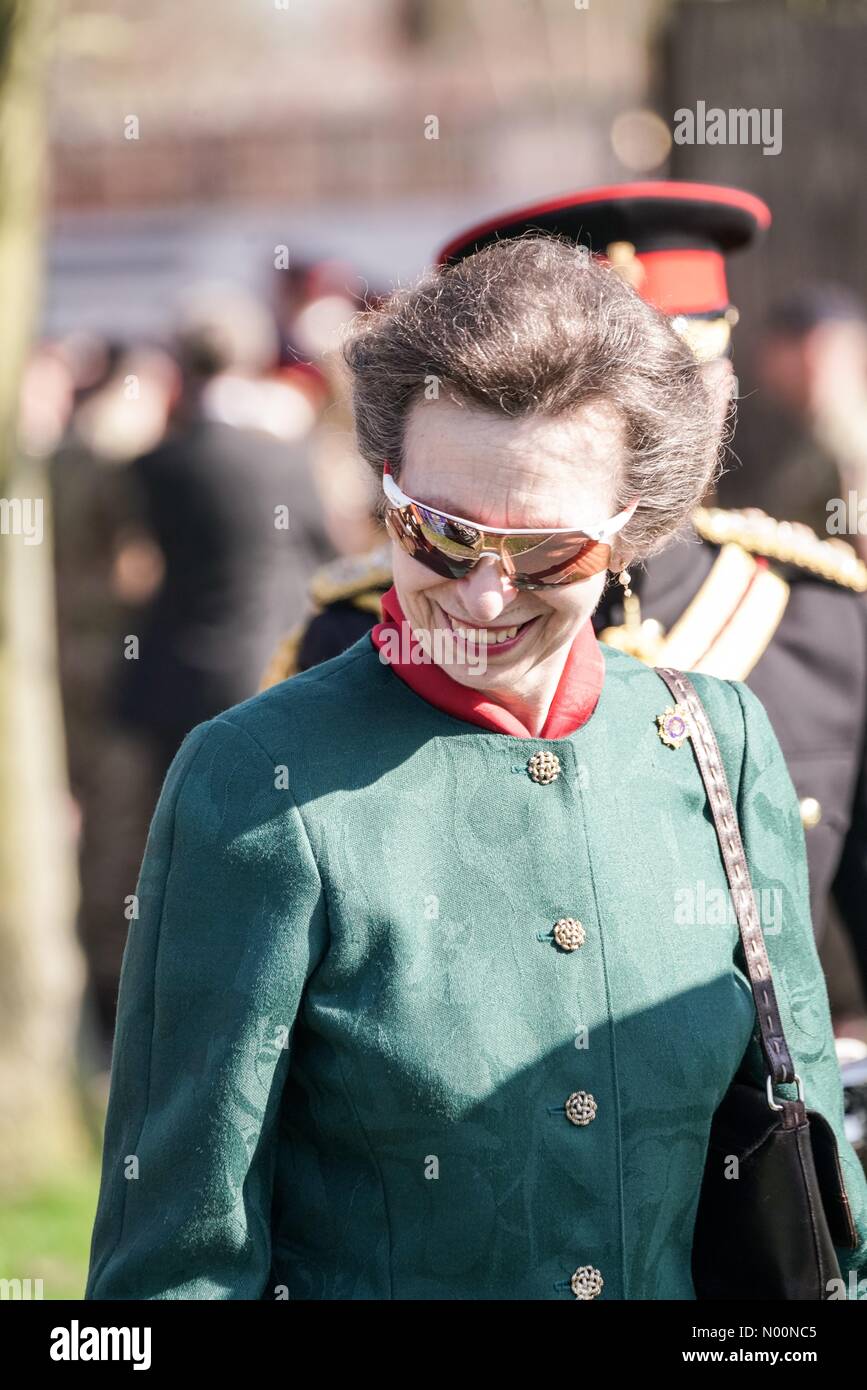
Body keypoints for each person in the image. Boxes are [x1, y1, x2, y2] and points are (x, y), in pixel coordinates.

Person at [85, 234, 867, 1300]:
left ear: (633, 533)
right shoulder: (252, 779)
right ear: (386, 489)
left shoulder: (721, 739)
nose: (483, 597)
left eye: (550, 553)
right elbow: (177, 1271)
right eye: (439, 534)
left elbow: (821, 1216)